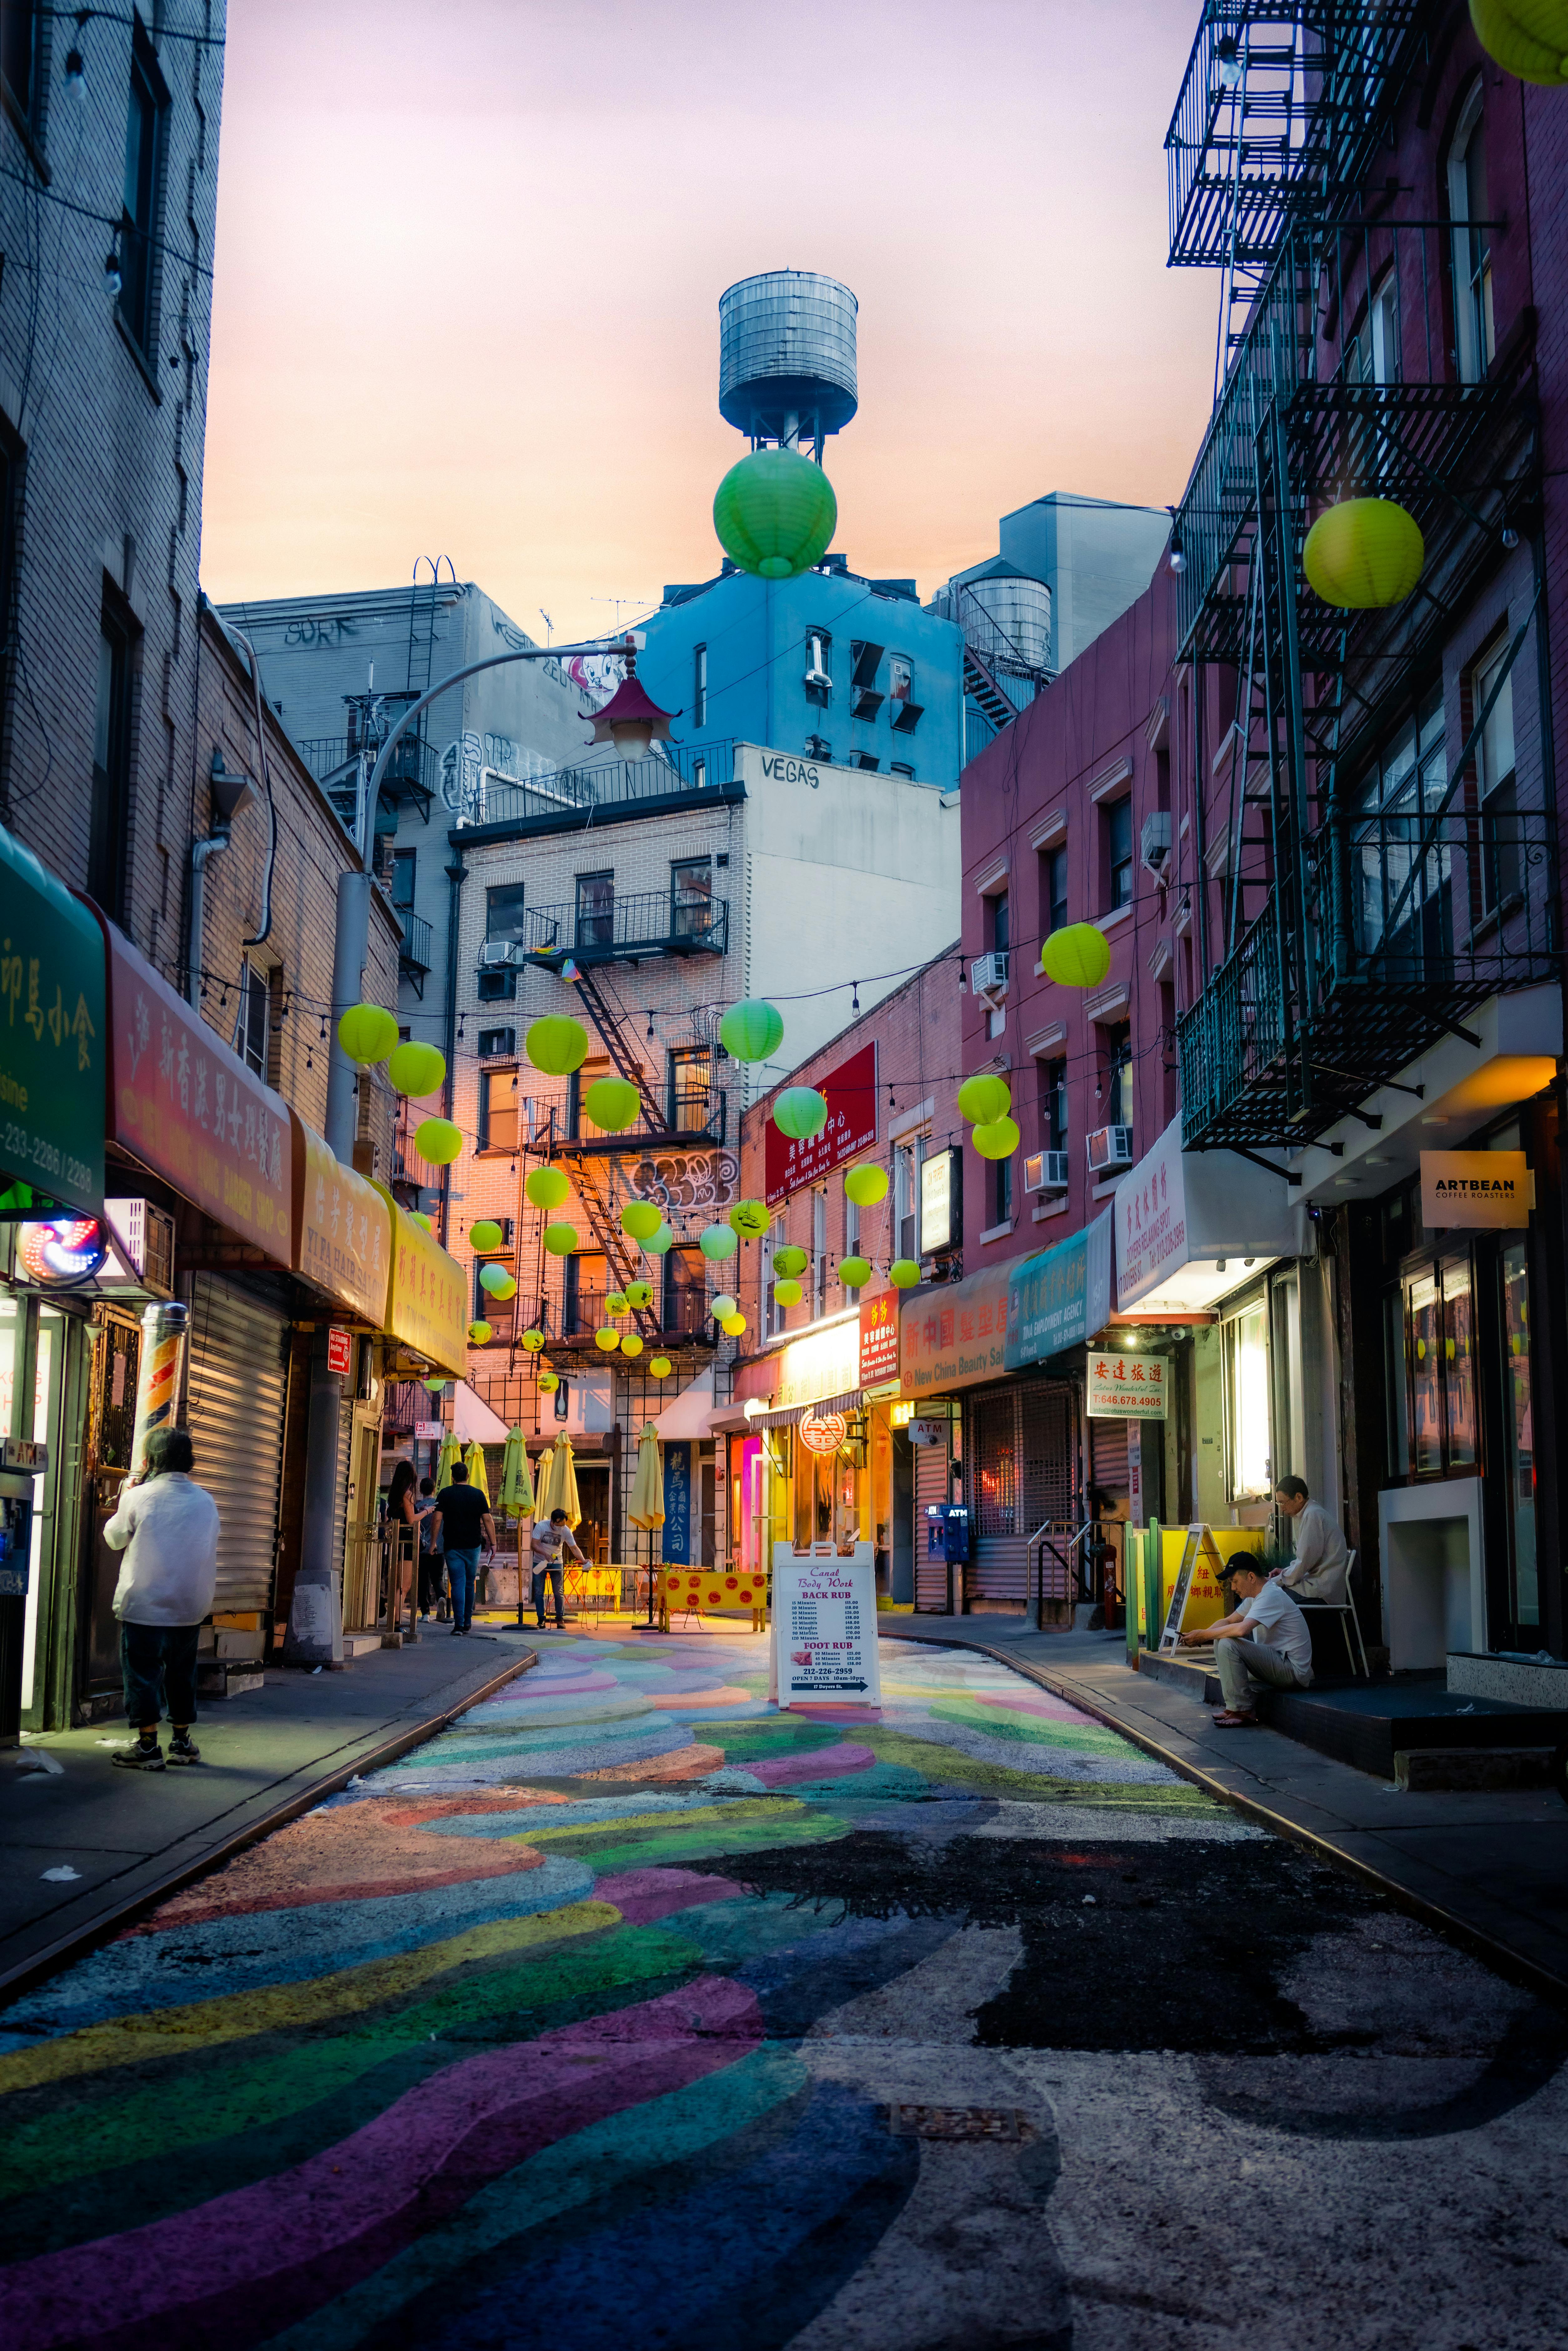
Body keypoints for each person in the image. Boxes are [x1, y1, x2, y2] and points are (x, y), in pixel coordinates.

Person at [103, 1426, 221, 1770]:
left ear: (151, 1459)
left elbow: (114, 1538)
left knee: (142, 1674)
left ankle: (147, 1747)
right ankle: (182, 1743)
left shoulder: (140, 1497)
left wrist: (128, 1493)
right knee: (182, 1674)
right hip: (189, 1606)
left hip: (145, 1605)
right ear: (188, 1459)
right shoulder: (206, 1500)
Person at [1180, 1556, 1313, 1726]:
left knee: (1228, 1643)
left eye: (1235, 1581)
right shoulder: (1255, 1597)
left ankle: (1244, 1710)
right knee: (1221, 1639)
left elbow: (1242, 1630)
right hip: (1276, 1662)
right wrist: (1199, 1634)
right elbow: (1229, 1622)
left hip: (1292, 1672)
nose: (1233, 1588)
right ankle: (1233, 1708)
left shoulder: (1271, 1595)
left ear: (1251, 1577)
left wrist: (1204, 1636)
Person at [430, 1461, 495, 1636]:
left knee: (457, 1583)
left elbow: (436, 1520)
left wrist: (433, 1542)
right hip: (474, 1546)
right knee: (469, 1582)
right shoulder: (478, 1494)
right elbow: (488, 1520)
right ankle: (467, 1622)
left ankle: (458, 1625)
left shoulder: (445, 1494)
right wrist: (493, 1543)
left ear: (452, 1478)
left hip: (453, 1546)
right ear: (468, 1476)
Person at [1269, 1475, 1351, 1604]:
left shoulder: (1312, 1515)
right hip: (1319, 1582)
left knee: (1271, 1599)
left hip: (1322, 1588)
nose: (1282, 1508)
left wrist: (1279, 1579)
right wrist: (1285, 1573)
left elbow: (1304, 1562)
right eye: (1278, 1503)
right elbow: (1305, 1560)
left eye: (1283, 1502)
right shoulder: (1310, 1512)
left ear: (1299, 1498)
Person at [529, 1506, 585, 1630]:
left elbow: (574, 1548)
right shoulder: (541, 1526)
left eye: (564, 1525)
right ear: (553, 1522)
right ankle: (541, 1618)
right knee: (539, 1591)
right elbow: (534, 1545)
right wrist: (545, 1554)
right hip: (540, 1561)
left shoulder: (566, 1531)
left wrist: (583, 1560)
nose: (561, 1528)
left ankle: (560, 1618)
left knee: (559, 1591)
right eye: (559, 1525)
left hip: (557, 1562)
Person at [414, 1475, 442, 1618]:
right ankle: (441, 1598)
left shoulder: (418, 1508)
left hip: (422, 1549)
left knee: (423, 1581)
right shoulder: (440, 1506)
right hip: (439, 1548)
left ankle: (425, 1613)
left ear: (421, 1490)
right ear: (435, 1489)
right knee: (438, 1578)